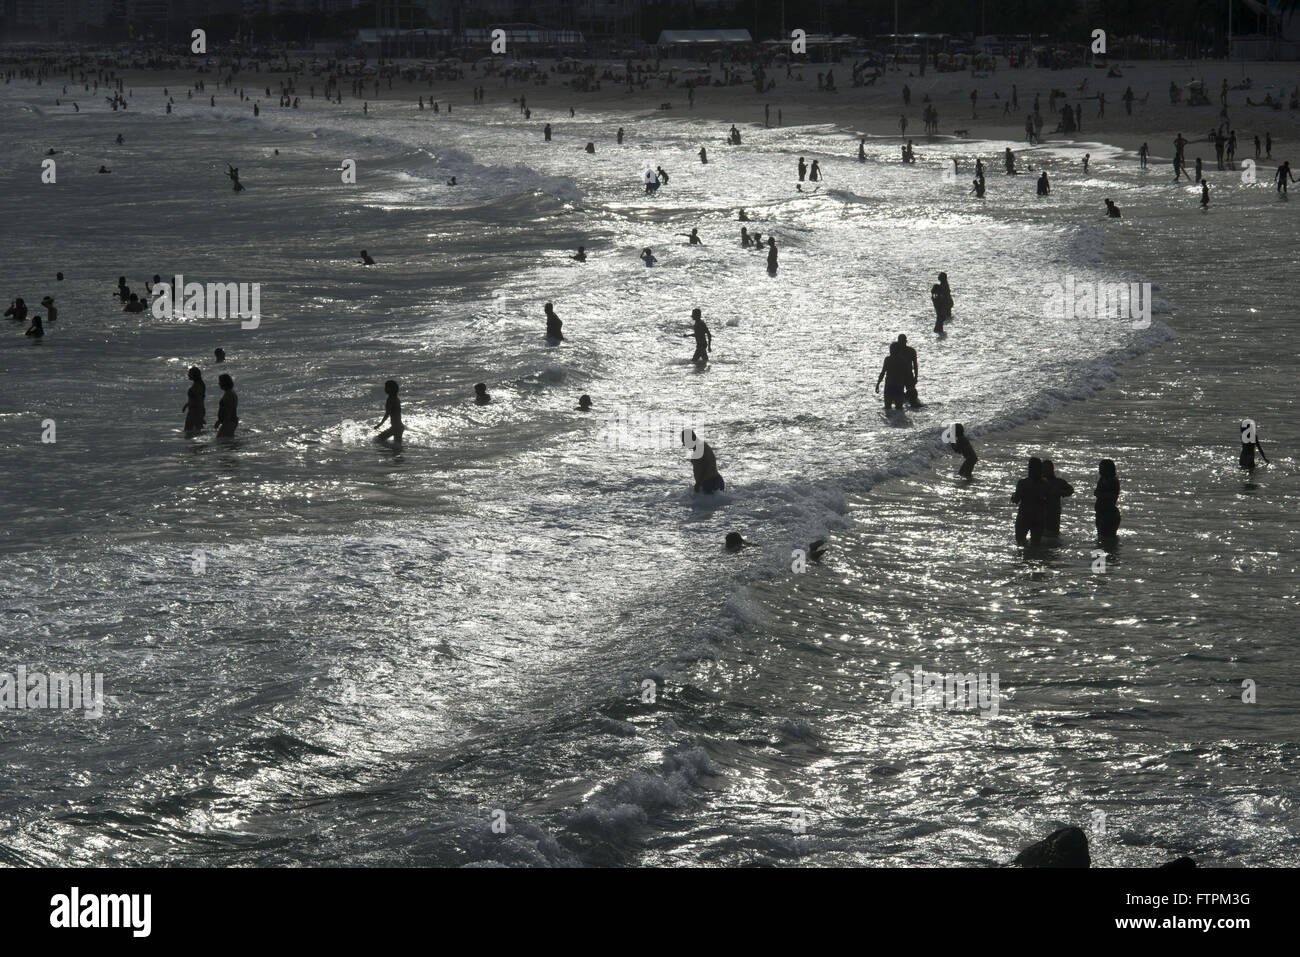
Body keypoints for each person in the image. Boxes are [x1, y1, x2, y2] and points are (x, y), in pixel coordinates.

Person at [1011, 457, 1049, 545]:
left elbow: (1016, 500)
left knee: (1020, 541)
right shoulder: (1045, 484)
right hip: (1039, 516)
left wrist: (1013, 496)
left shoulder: (1023, 483)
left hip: (1024, 516)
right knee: (1036, 544)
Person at [1042, 460, 1074, 538]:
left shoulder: (1058, 482)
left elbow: (1070, 490)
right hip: (1040, 513)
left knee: (1053, 534)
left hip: (1053, 513)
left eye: (1048, 469)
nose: (1046, 471)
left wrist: (1059, 492)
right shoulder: (1038, 482)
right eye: (1044, 469)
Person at [875, 341, 908, 410]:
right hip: (899, 386)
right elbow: (906, 375)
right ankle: (899, 420)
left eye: (891, 349)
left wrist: (878, 383)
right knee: (899, 408)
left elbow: (883, 372)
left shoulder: (888, 359)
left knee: (887, 408)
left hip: (889, 386)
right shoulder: (902, 360)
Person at [1094, 459, 1121, 539]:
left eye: (1101, 468)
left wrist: (1101, 494)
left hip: (1109, 514)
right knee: (1102, 539)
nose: (1099, 470)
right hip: (1101, 513)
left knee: (1107, 538)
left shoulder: (1113, 481)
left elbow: (1111, 496)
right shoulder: (1102, 479)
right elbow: (1096, 492)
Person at [374, 379, 404, 444]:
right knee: (397, 448)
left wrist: (379, 425)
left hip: (395, 428)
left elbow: (387, 414)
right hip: (399, 427)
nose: (385, 389)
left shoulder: (391, 400)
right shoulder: (396, 398)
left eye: (386, 387)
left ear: (391, 389)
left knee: (377, 440)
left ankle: (386, 453)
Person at [182, 366, 206, 433]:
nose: (188, 375)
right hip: (196, 410)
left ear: (194, 375)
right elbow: (195, 399)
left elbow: (198, 400)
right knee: (196, 431)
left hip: (195, 410)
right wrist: (187, 405)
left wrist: (199, 415)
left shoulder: (197, 385)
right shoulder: (198, 383)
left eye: (190, 373)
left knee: (188, 431)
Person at [215, 373, 239, 437]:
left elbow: (229, 410)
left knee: (222, 440)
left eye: (220, 382)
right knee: (225, 440)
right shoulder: (229, 392)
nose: (219, 383)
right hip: (230, 421)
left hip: (229, 421)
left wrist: (223, 422)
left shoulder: (229, 394)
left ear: (224, 383)